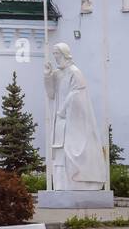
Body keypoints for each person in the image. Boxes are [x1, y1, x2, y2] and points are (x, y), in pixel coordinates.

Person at [43, 42, 107, 191]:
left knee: (71, 152)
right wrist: (47, 76)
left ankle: (79, 182)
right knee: (59, 152)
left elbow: (77, 94)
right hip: (59, 121)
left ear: (64, 54)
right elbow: (51, 94)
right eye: (54, 54)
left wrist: (64, 109)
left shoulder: (74, 72)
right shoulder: (58, 74)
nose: (55, 57)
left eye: (57, 54)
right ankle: (61, 186)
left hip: (73, 121)